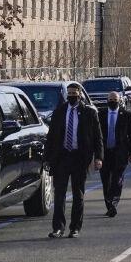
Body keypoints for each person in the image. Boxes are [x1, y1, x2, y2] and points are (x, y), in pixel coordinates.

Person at [44, 83, 102, 239]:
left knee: (78, 194)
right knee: (59, 194)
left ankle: (75, 227)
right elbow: (51, 137)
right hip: (61, 157)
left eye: (74, 93)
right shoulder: (59, 112)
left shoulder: (89, 113)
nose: (71, 96)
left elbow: (97, 137)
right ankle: (58, 228)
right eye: (69, 93)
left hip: (79, 158)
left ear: (80, 94)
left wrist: (98, 158)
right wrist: (47, 159)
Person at [100, 89, 131, 217]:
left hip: (120, 153)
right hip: (105, 153)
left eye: (115, 100)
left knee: (117, 180)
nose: (112, 102)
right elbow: (96, 136)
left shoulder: (126, 115)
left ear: (119, 101)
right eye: (110, 100)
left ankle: (114, 203)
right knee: (106, 181)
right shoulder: (101, 114)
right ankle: (109, 204)